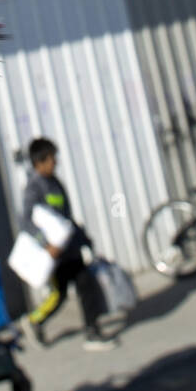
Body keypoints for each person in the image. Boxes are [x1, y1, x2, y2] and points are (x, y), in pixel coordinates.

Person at [18, 137, 116, 351]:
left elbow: (66, 217)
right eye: (52, 158)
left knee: (86, 285)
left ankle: (92, 332)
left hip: (70, 250)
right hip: (54, 254)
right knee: (59, 295)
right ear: (39, 162)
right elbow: (25, 221)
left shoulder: (56, 183)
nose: (55, 162)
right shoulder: (34, 188)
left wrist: (84, 239)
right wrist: (46, 244)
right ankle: (35, 320)